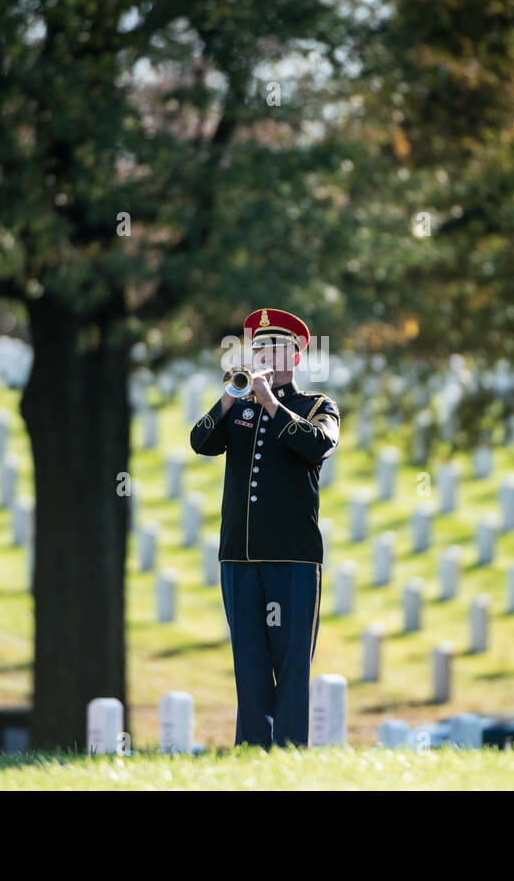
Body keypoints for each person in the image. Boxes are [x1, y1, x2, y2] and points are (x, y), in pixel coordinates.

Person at [189, 308, 341, 748]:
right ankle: (252, 750)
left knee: (292, 665)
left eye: (274, 350)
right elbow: (200, 442)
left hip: (293, 556)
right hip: (238, 555)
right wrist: (228, 400)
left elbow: (316, 446)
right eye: (258, 350)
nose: (264, 359)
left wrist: (271, 404)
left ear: (294, 357)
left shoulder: (317, 406)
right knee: (249, 662)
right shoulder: (238, 407)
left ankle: (291, 752)